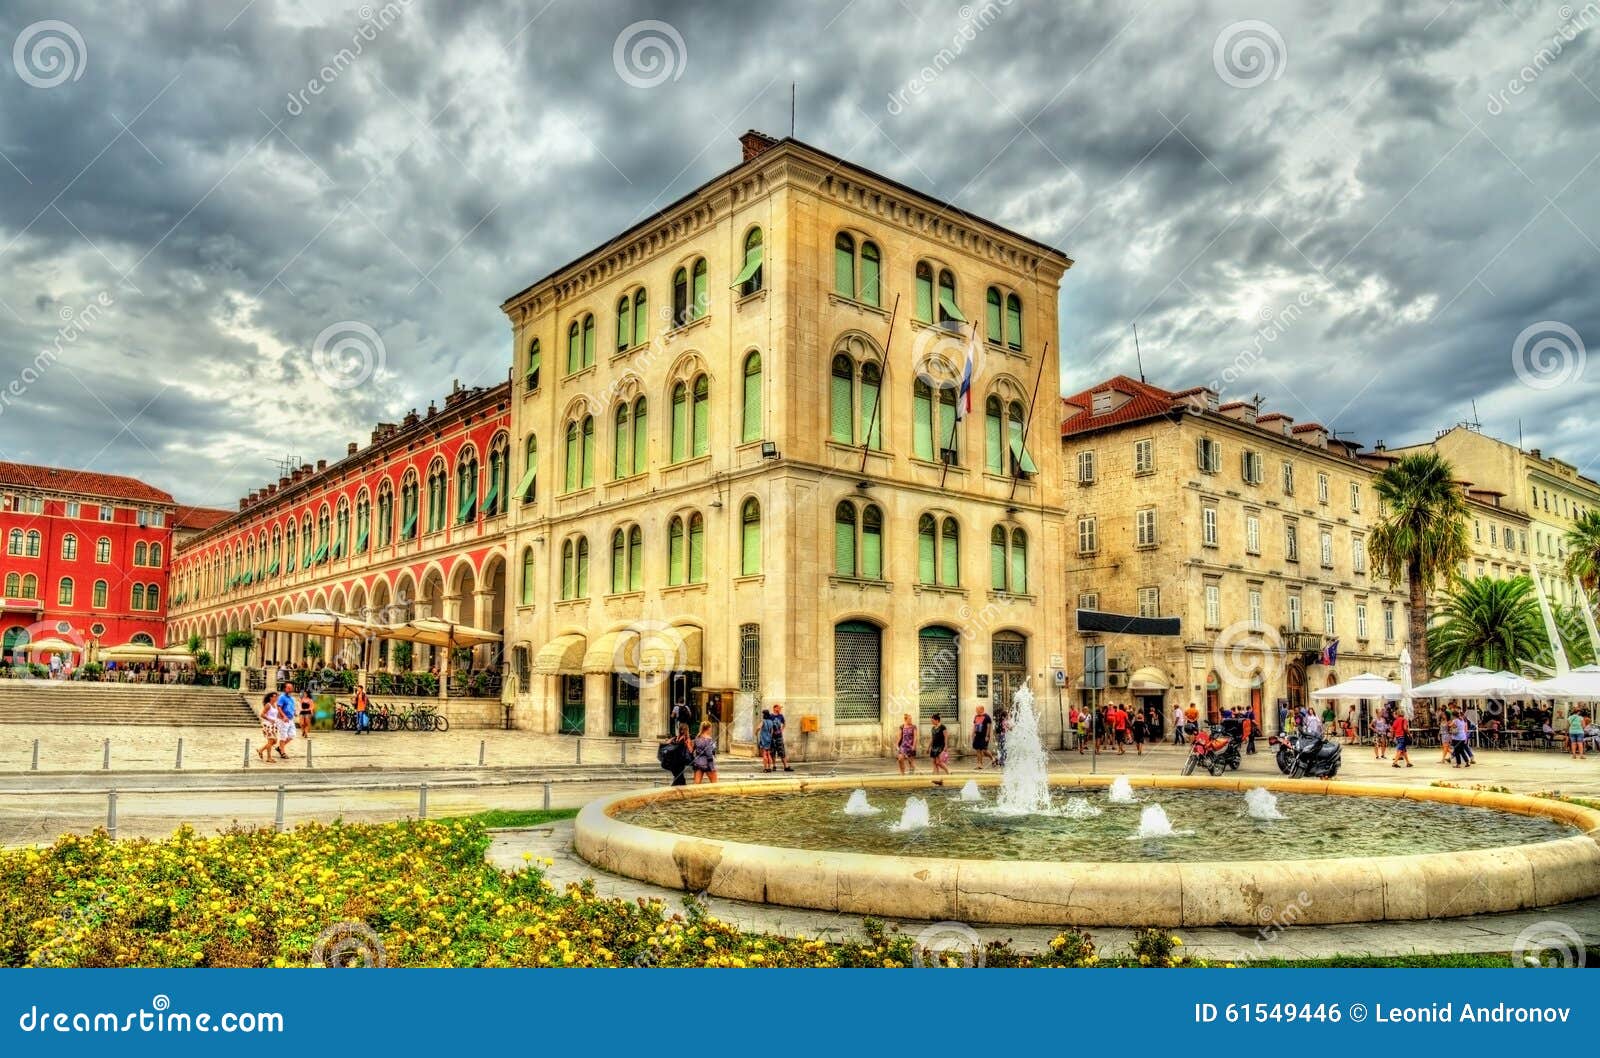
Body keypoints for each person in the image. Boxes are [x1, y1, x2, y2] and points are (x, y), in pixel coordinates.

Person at [275, 683, 297, 760]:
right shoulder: (282, 697)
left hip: (290, 719)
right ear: (285, 689)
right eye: (289, 688)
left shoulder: (292, 698)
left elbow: (292, 707)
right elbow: (279, 707)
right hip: (282, 720)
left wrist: (294, 712)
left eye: (291, 687)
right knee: (283, 736)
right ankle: (282, 752)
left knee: (292, 735)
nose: (290, 689)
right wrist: (284, 716)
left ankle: (280, 747)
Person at [256, 692, 279, 763]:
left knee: (274, 741)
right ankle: (269, 757)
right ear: (270, 697)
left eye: (276, 697)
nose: (276, 698)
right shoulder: (268, 705)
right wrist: (270, 719)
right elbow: (262, 714)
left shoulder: (274, 705)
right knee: (270, 741)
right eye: (274, 696)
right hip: (268, 725)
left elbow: (275, 715)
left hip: (274, 726)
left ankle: (261, 750)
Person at [769, 703, 791, 771]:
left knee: (782, 751)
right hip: (772, 737)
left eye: (780, 708)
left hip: (779, 737)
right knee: (773, 752)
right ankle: (774, 766)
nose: (780, 709)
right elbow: (769, 725)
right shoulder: (771, 716)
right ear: (775, 708)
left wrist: (781, 730)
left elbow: (784, 724)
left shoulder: (781, 716)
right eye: (779, 708)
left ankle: (786, 766)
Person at [929, 712, 950, 784]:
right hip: (934, 746)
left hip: (940, 746)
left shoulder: (943, 727)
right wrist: (928, 747)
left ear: (937, 720)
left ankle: (948, 772)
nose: (931, 721)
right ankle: (937, 777)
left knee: (939, 762)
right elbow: (932, 738)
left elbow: (946, 736)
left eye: (932, 720)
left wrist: (946, 746)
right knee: (934, 762)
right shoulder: (933, 728)